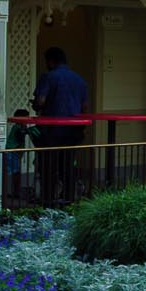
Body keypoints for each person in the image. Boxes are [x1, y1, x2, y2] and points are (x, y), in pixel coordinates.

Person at [31, 45, 92, 202]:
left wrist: (36, 105)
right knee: (68, 166)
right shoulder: (79, 80)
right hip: (73, 131)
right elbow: (85, 107)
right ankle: (69, 200)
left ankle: (48, 202)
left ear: (51, 61)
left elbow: (40, 101)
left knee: (48, 167)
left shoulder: (49, 77)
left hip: (52, 131)